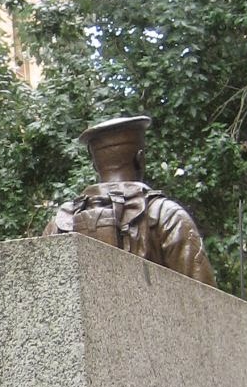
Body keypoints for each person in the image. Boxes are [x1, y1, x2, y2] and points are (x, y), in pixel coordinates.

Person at [45, 114, 216, 285]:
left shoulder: (61, 223)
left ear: (95, 165)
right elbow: (205, 297)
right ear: (140, 159)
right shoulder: (167, 216)